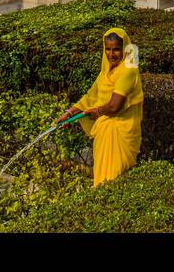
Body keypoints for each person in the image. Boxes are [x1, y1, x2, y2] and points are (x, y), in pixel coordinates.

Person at [61, 28, 143, 187]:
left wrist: (97, 111)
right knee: (102, 177)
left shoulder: (128, 72)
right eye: (108, 49)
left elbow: (114, 106)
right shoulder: (105, 72)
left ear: (124, 48)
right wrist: (70, 114)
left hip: (121, 132)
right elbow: (90, 97)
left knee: (114, 179)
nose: (111, 54)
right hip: (105, 131)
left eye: (116, 49)